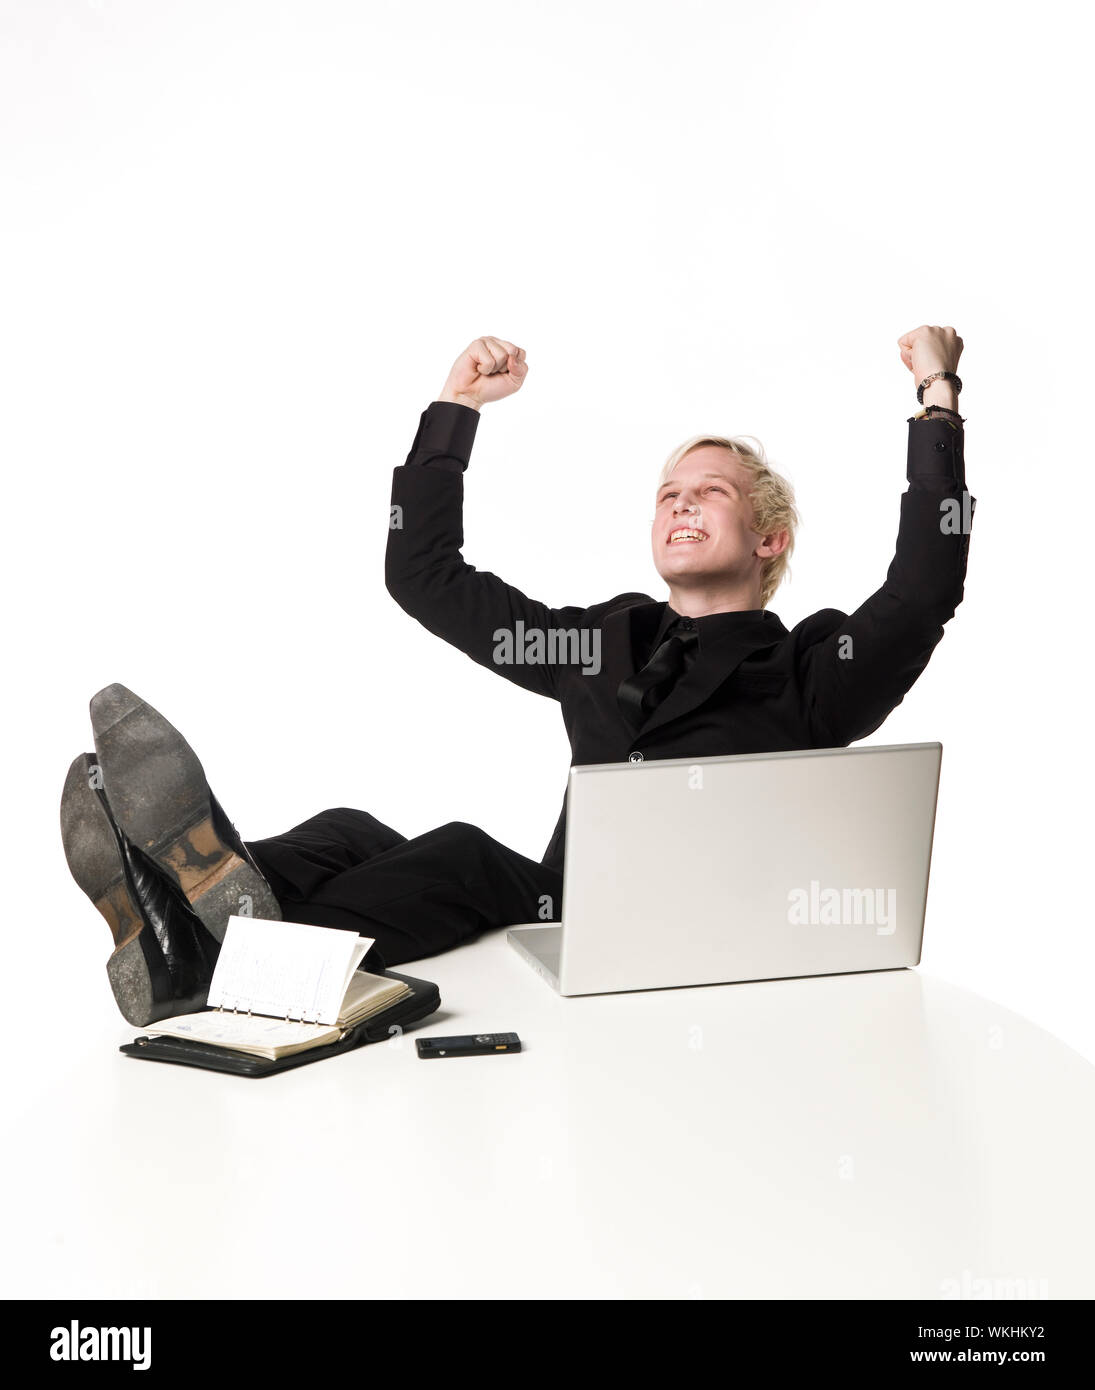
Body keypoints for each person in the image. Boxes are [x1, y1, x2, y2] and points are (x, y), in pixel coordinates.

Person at [60, 327, 972, 1026]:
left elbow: (925, 586)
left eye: (711, 492)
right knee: (347, 829)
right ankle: (184, 909)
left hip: (634, 933)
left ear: (767, 540)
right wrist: (454, 409)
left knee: (459, 850)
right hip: (559, 909)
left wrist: (937, 397)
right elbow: (423, 577)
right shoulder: (606, 644)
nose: (680, 501)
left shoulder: (814, 673)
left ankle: (202, 932)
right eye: (667, 493)